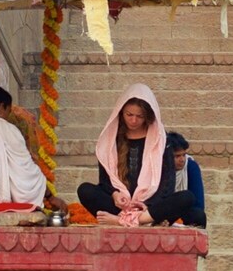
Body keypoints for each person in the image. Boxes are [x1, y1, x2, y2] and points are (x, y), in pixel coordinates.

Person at [76, 84, 206, 227]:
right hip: (119, 206)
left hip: (150, 208)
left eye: (139, 116)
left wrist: (145, 204)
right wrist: (115, 195)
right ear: (121, 113)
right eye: (129, 115)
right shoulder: (112, 140)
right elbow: (105, 179)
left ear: (148, 117)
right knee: (85, 190)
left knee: (186, 198)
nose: (133, 120)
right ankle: (136, 220)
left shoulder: (162, 141)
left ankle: (129, 221)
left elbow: (167, 185)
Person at [167, 131, 205, 218]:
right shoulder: (158, 169)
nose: (182, 160)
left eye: (183, 155)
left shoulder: (190, 166)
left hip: (183, 214)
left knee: (199, 215)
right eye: (177, 156)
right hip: (162, 213)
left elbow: (198, 203)